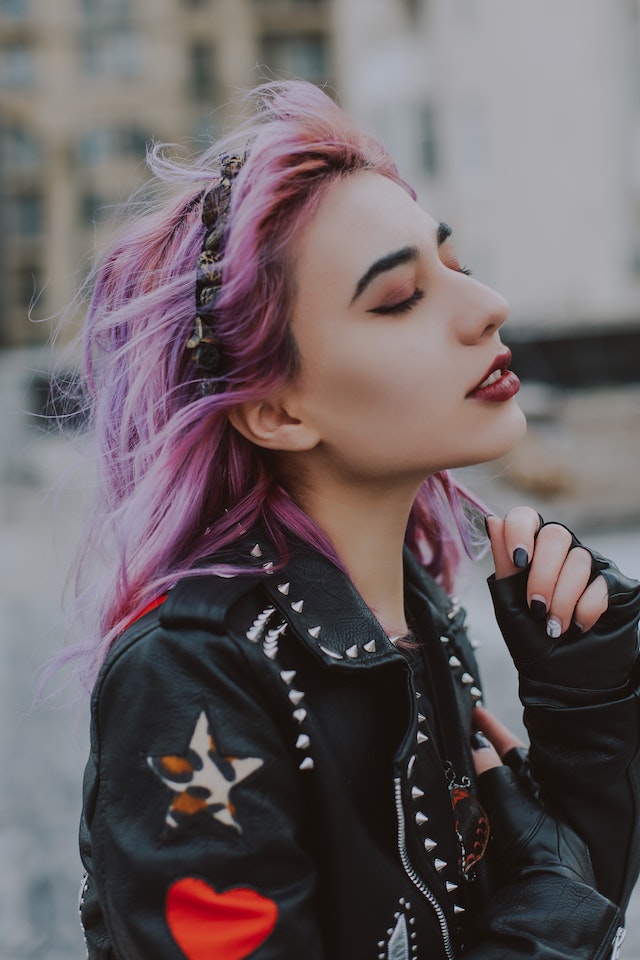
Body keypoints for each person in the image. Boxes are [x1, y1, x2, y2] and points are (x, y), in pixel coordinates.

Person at [74, 81, 640, 959]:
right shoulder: (193, 679)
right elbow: (555, 917)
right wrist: (551, 910)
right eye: (398, 298)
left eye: (452, 263)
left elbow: (557, 897)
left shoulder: (417, 617)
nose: (486, 303)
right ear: (275, 411)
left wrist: (588, 716)